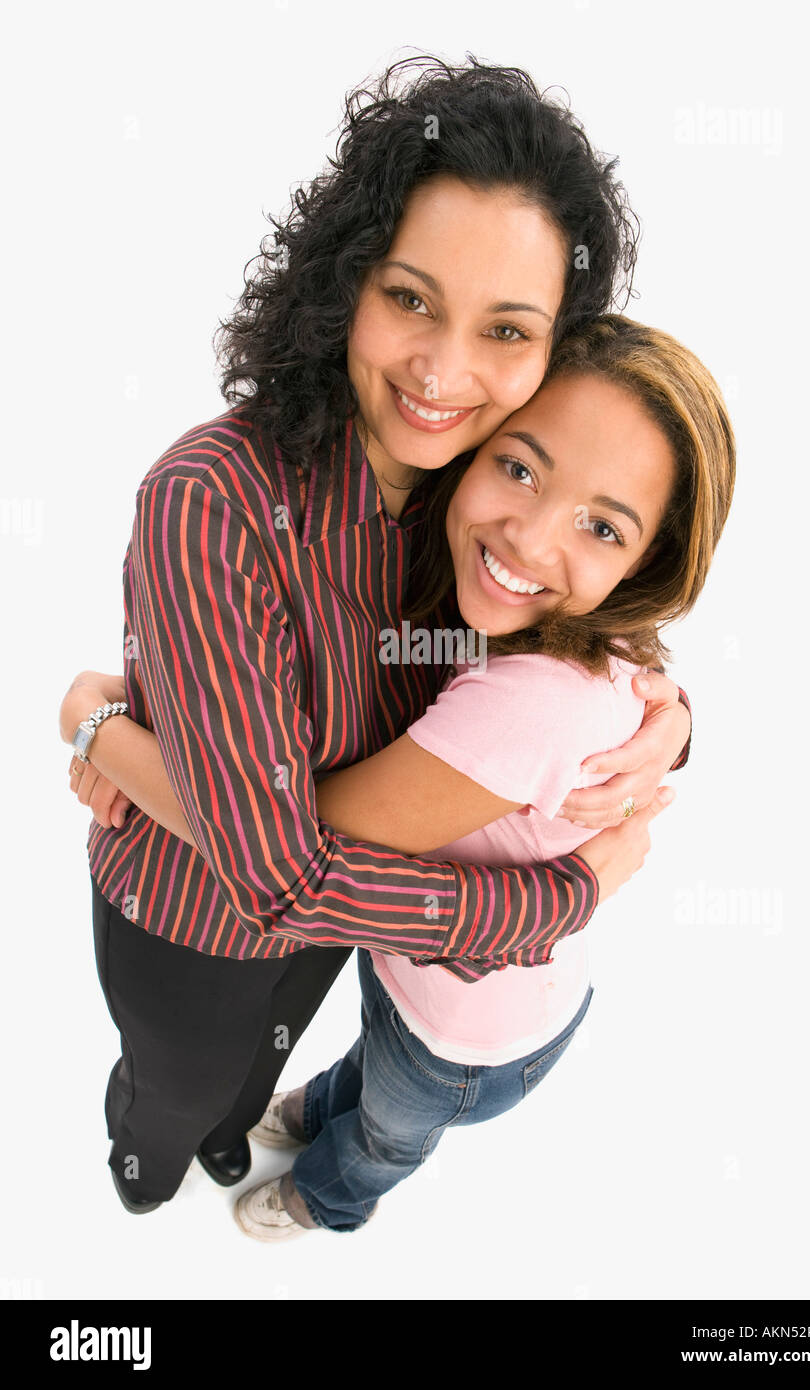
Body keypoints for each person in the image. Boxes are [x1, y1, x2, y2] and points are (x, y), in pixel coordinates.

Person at [58, 59, 693, 1215]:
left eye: (505, 329)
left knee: (257, 1070)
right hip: (189, 919)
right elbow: (273, 871)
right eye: (409, 298)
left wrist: (670, 717)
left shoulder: (476, 514)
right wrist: (556, 899)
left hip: (349, 924)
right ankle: (142, 1165)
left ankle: (220, 1129)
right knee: (178, 1092)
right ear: (344, 278)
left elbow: (574, 637)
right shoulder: (214, 502)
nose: (443, 372)